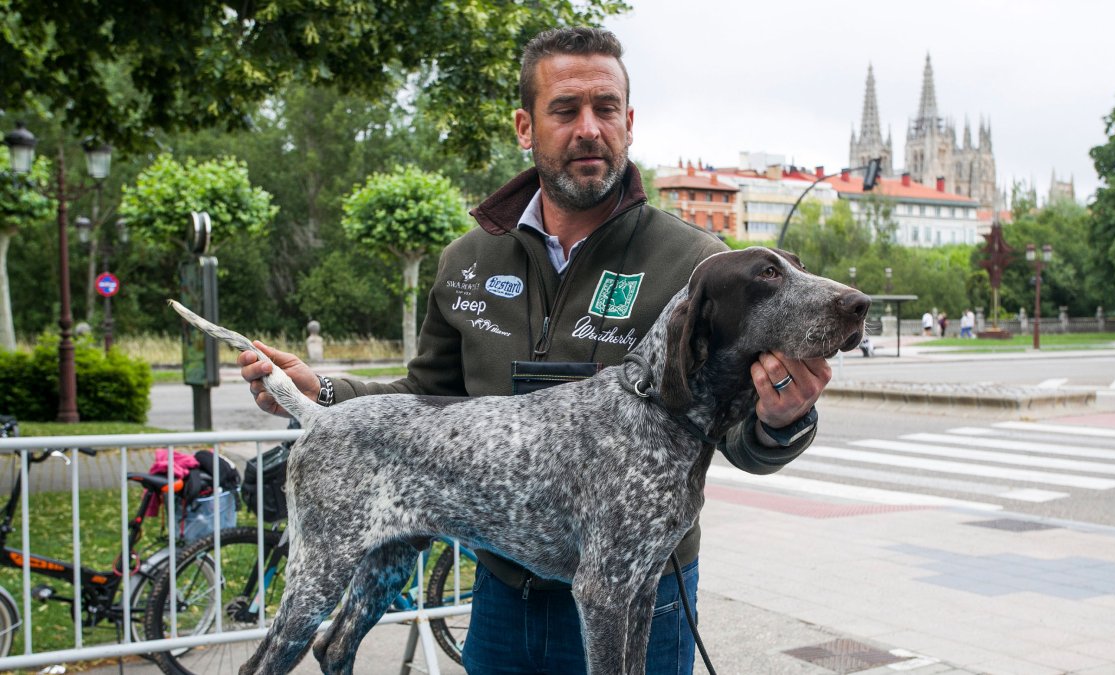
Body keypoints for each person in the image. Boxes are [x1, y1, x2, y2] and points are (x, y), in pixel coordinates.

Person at [238, 27, 830, 675]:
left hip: (641, 596)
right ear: (526, 125)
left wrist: (784, 416)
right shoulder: (468, 259)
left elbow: (740, 435)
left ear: (629, 123)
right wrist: (322, 390)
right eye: (565, 109)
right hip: (501, 597)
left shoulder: (700, 270)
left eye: (606, 108)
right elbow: (427, 397)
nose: (588, 128)